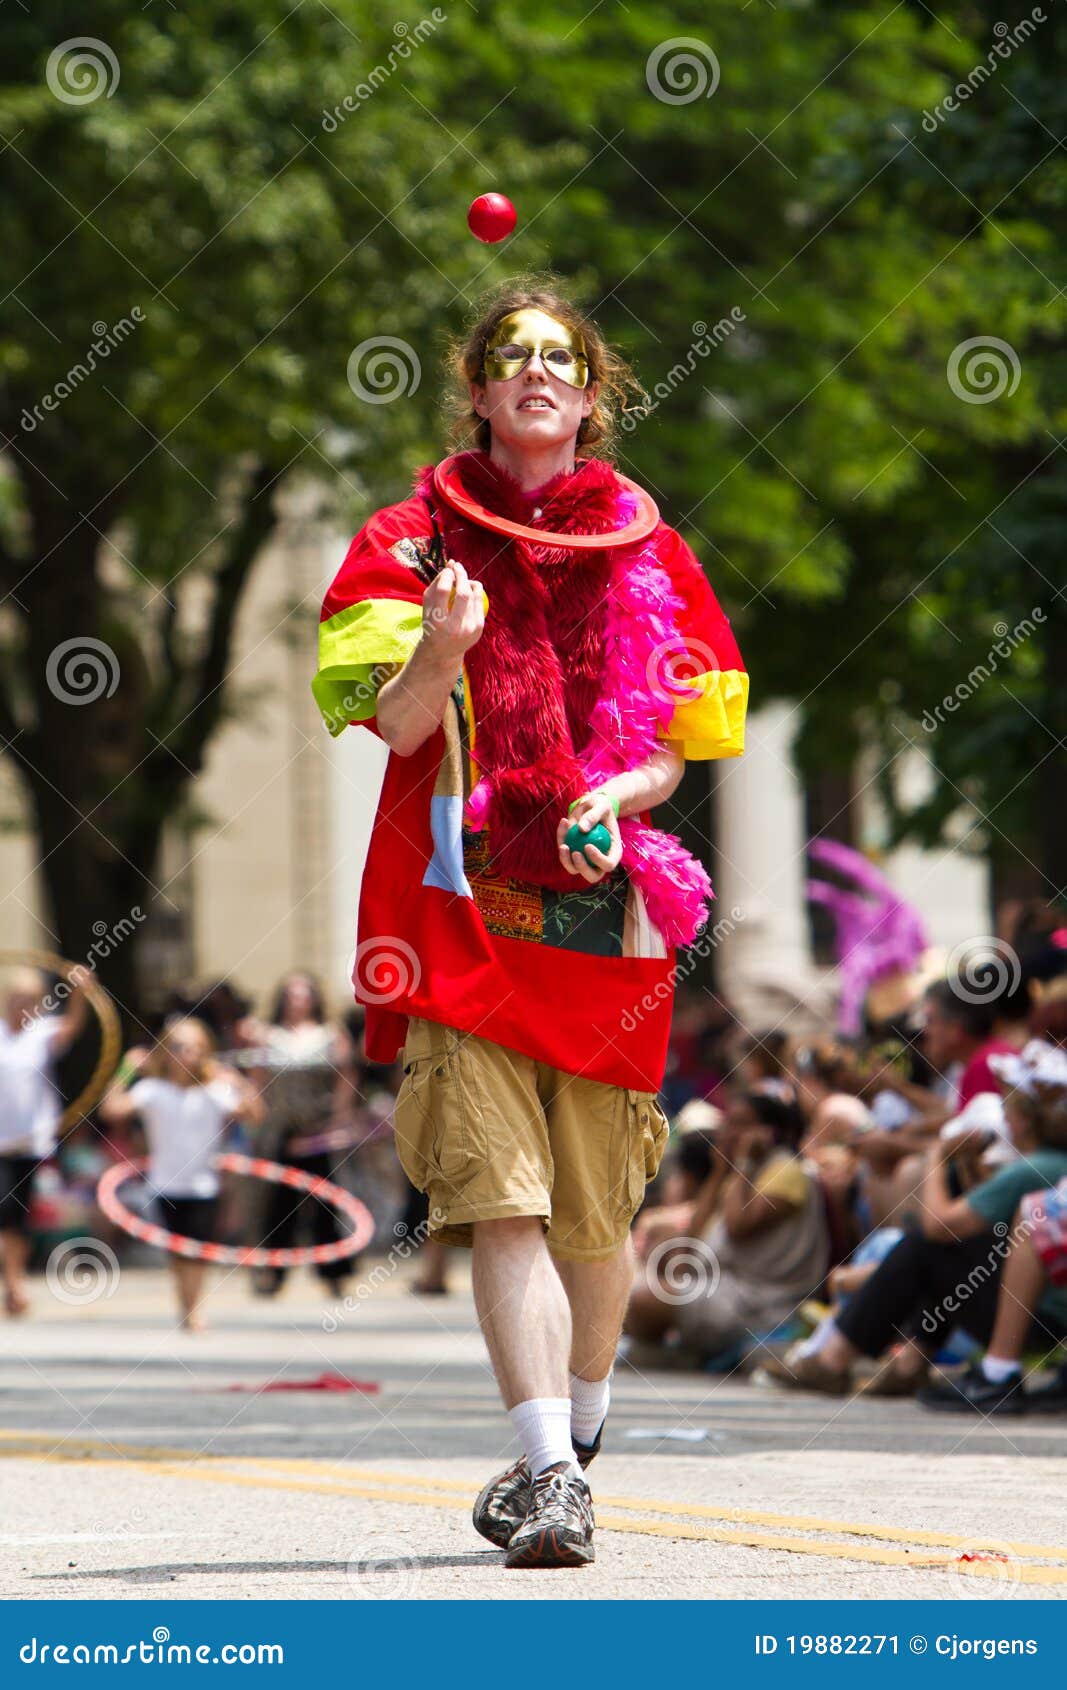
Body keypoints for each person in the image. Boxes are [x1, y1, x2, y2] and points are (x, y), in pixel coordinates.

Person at [311, 280, 748, 1567]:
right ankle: (548, 1468)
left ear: (591, 393)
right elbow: (392, 725)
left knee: (592, 1224)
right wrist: (443, 648)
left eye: (562, 357)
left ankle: (583, 1421)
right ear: (481, 389)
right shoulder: (410, 534)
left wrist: (621, 787)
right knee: (500, 1202)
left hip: (606, 921)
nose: (539, 373)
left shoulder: (648, 548)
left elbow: (669, 750)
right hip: (461, 910)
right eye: (514, 356)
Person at [768, 1038, 1067, 1396]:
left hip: (1037, 1322)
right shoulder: (1047, 1163)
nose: (1004, 1114)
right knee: (949, 1251)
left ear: (1027, 1117)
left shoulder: (1038, 1166)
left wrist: (938, 1156)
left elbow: (937, 1224)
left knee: (925, 1245)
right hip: (1041, 1316)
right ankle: (908, 1364)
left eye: (1010, 1104)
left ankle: (833, 1359)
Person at [625, 1091, 829, 1363]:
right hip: (729, 1286)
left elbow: (738, 1226)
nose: (729, 1132)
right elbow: (693, 1240)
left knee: (641, 1302)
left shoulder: (787, 1171)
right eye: (728, 1123)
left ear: (769, 1132)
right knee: (648, 1271)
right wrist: (720, 1171)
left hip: (763, 1299)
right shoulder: (744, 1172)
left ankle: (680, 1353)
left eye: (741, 1124)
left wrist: (740, 1164)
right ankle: (678, 1350)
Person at [99, 1018, 262, 1331]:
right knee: (178, 1252)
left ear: (205, 1053)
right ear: (165, 1052)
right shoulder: (152, 1091)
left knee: (198, 1251)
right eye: (177, 1048)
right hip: (165, 1183)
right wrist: (126, 1071)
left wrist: (238, 1081)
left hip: (205, 1184)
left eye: (194, 1048)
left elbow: (255, 1116)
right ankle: (186, 1307)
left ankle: (193, 1309)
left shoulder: (216, 1091)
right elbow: (111, 1110)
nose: (186, 1055)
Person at [244, 971, 358, 1297]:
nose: (298, 1000)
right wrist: (253, 1119)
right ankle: (273, 1273)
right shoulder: (266, 1035)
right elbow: (256, 1081)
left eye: (303, 993)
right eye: (291, 993)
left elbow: (345, 1079)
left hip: (319, 1129)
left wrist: (340, 1119)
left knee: (326, 1202)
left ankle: (334, 1272)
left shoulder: (330, 1034)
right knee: (276, 1204)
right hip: (279, 1129)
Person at [0, 967, 87, 1315]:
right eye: (15, 996)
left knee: (18, 1217)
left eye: (29, 998)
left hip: (31, 1142)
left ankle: (13, 1281)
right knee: (3, 1211)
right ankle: (14, 1283)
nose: (21, 1004)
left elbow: (72, 1028)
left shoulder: (42, 1033)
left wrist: (79, 992)